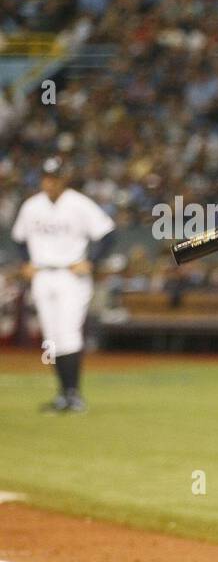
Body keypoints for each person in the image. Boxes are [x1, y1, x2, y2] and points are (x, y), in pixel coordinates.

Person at [10, 157, 115, 413]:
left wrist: (91, 260)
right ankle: (62, 394)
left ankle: (73, 394)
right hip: (42, 275)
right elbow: (19, 238)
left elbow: (108, 233)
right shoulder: (32, 206)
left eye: (54, 177)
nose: (49, 182)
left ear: (63, 178)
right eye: (46, 177)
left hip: (71, 275)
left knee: (68, 333)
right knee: (52, 338)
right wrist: (25, 262)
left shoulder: (78, 204)